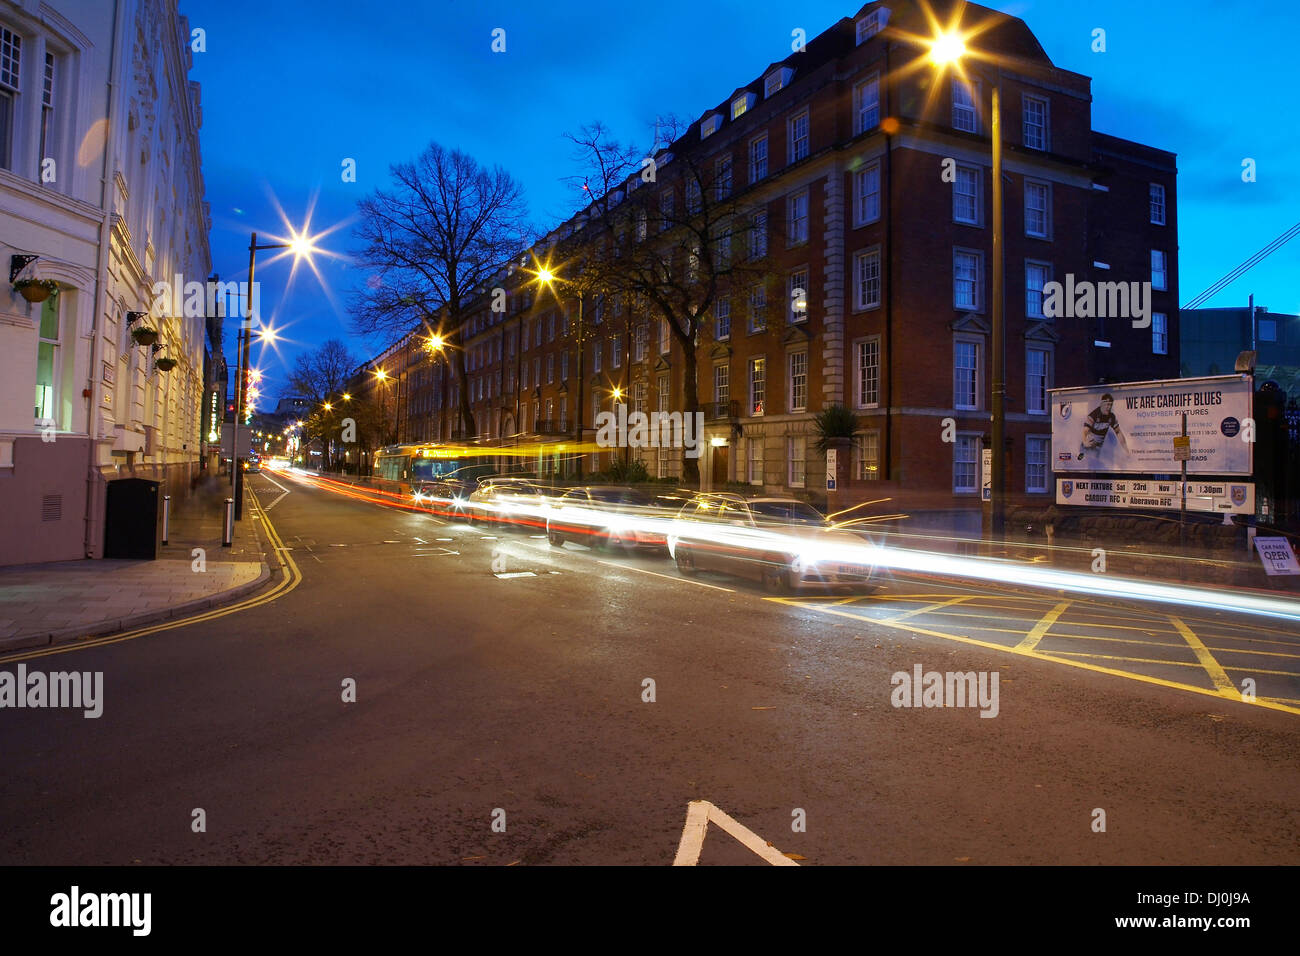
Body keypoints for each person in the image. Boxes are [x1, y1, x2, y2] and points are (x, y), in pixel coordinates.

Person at [1078, 393, 1129, 459]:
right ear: (1102, 404)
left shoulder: (1111, 417)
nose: (1109, 407)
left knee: (1095, 465)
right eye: (1107, 404)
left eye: (1111, 405)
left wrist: (1126, 449)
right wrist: (1085, 442)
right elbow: (1085, 431)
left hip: (1098, 448)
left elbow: (1118, 432)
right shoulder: (1094, 415)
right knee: (1081, 462)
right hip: (1087, 446)